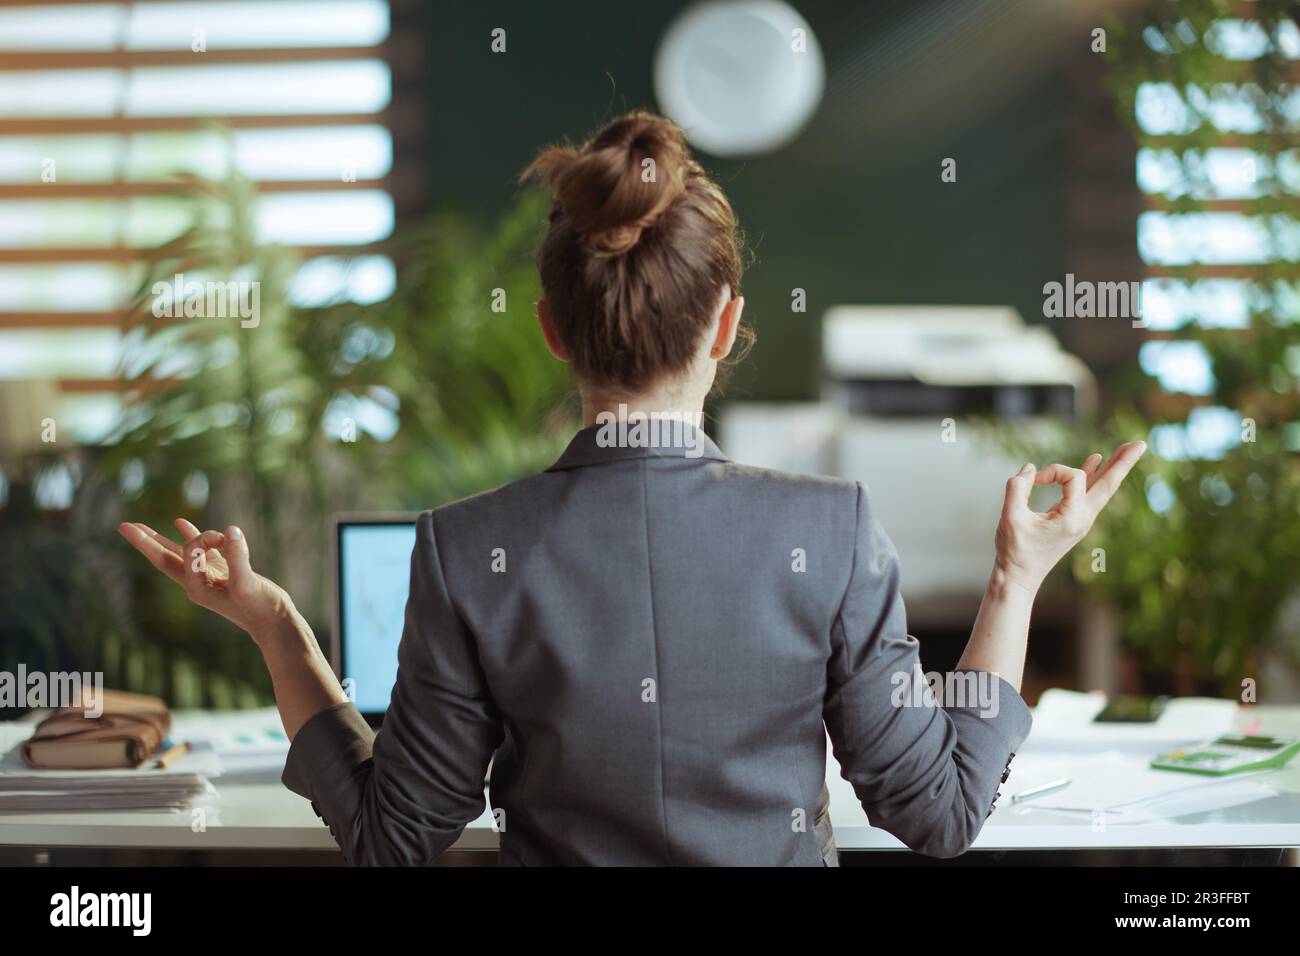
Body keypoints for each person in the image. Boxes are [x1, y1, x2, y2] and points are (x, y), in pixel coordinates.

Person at [119, 111, 1146, 866]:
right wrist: (1015, 578)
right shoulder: (830, 532)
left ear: (550, 329)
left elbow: (393, 834)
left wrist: (277, 630)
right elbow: (943, 812)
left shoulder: (465, 547)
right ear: (722, 322)